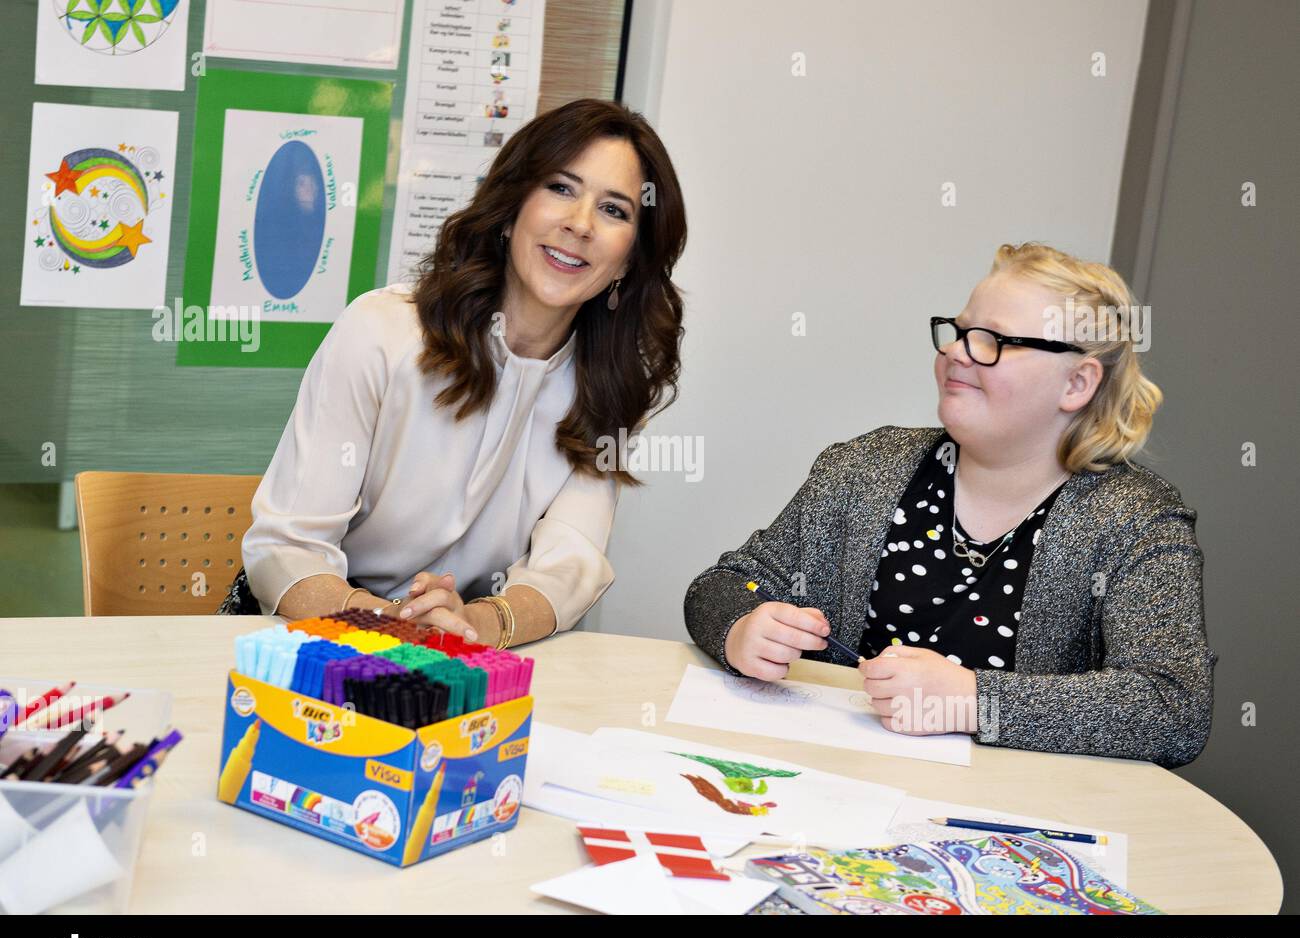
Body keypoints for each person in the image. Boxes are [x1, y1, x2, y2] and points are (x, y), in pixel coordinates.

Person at [684, 242, 1213, 768]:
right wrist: (740, 628)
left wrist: (971, 699)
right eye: (959, 332)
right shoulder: (862, 469)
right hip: (839, 785)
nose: (957, 351)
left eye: (992, 340)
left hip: (1011, 824)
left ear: (1076, 383)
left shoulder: (1134, 520)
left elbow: (1173, 709)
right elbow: (724, 584)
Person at [220, 99, 687, 652]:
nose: (579, 224)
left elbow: (569, 565)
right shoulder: (383, 331)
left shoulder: (608, 388)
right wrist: (388, 622)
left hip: (463, 644)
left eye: (615, 210)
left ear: (631, 257)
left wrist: (475, 625)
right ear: (512, 207)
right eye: (560, 188)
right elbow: (287, 546)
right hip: (312, 626)